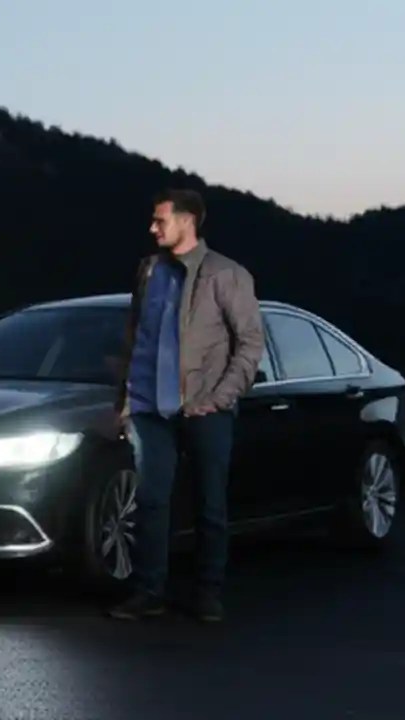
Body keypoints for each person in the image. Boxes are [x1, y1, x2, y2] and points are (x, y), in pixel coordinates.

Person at [108, 188, 264, 623]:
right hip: (148, 408)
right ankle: (148, 591)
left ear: (187, 221)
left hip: (205, 408)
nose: (152, 228)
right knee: (152, 501)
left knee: (210, 503)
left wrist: (220, 397)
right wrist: (125, 400)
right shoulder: (148, 271)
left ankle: (207, 592)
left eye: (160, 220)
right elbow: (134, 335)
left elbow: (251, 345)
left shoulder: (226, 275)